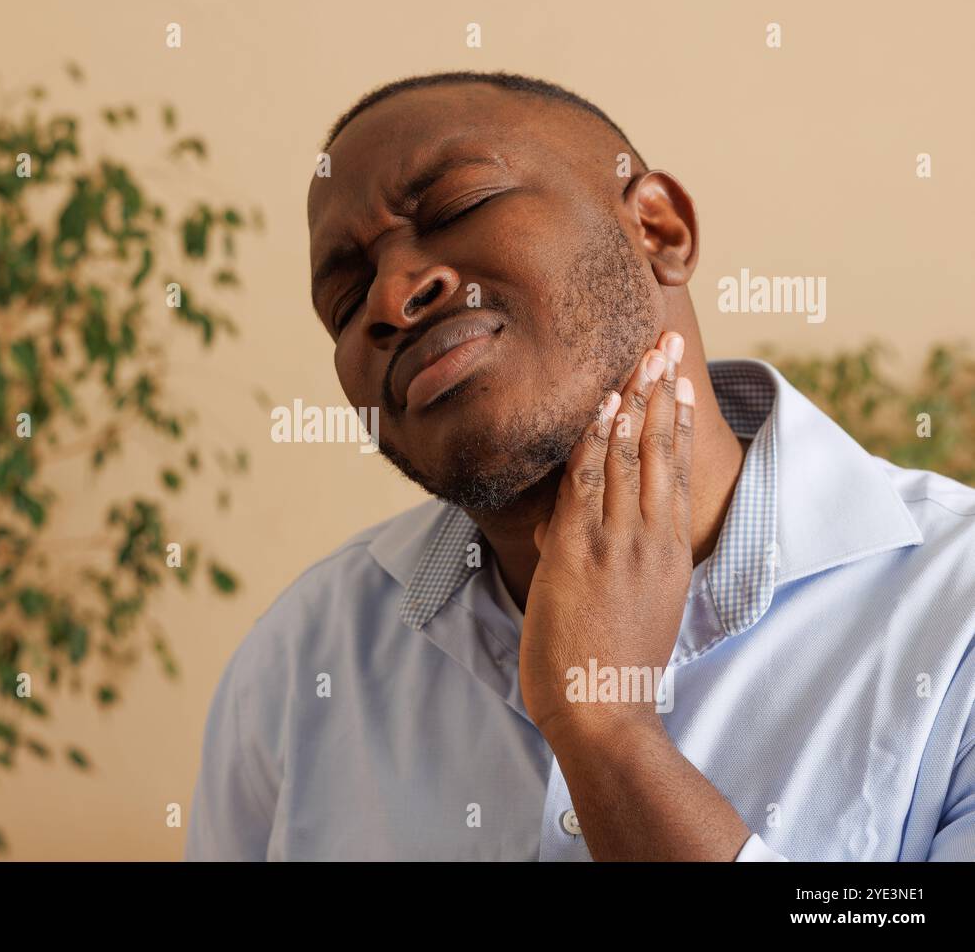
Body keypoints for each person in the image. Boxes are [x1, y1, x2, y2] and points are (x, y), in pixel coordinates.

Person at [185, 71, 975, 860]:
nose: (391, 298)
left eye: (460, 206)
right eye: (346, 301)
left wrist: (607, 732)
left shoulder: (954, 617)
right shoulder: (297, 665)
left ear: (658, 229)